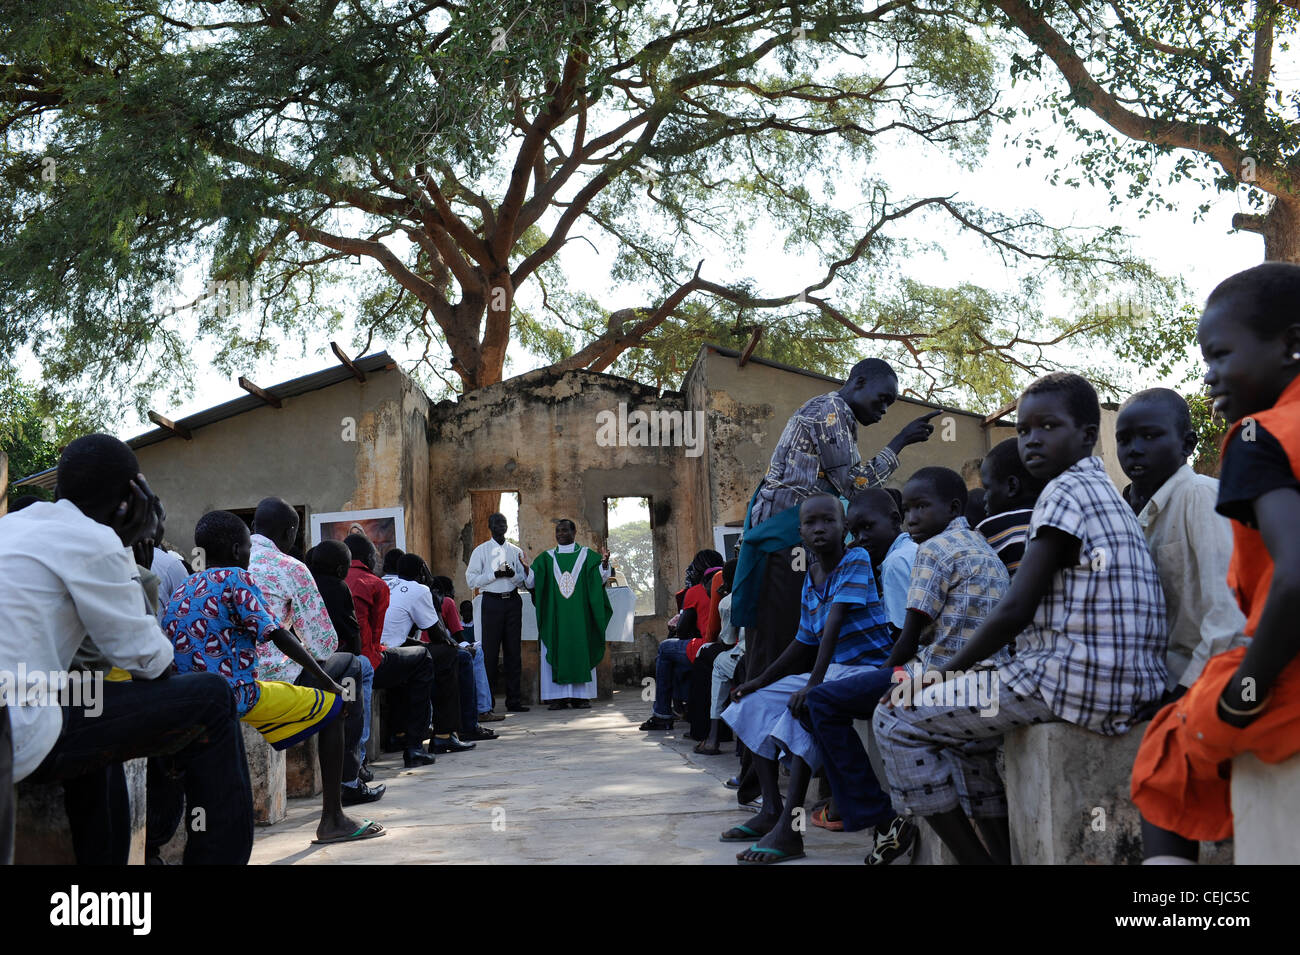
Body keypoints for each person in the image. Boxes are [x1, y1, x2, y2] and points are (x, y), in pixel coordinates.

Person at [874, 373, 1167, 865]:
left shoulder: (1063, 493)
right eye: (1024, 429)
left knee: (895, 717)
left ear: (1088, 434)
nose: (1032, 439)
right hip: (1128, 682)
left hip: (1073, 679)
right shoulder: (1101, 490)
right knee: (966, 742)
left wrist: (940, 674)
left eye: (1048, 426)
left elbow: (1015, 609)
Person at [0, 435, 254, 864]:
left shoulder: (12, 526)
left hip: (24, 702)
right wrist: (125, 547)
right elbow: (150, 663)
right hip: (20, 727)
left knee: (96, 711)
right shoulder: (95, 540)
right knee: (212, 698)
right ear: (132, 498)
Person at [1131, 264, 1300, 862]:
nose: (1209, 376)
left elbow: (1293, 577)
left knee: (1163, 763)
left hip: (1283, 680)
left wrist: (1243, 695)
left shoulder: (1259, 438)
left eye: (1221, 355)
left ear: (1291, 344)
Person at [727, 359, 937, 802]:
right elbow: (855, 483)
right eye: (882, 399)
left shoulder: (837, 418)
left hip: (787, 543)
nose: (884, 410)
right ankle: (758, 784)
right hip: (784, 541)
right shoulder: (830, 411)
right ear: (857, 382)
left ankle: (771, 781)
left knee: (780, 651)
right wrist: (900, 441)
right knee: (776, 652)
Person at [804, 468, 1009, 860]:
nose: (913, 518)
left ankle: (879, 817)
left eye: (921, 508)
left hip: (937, 674)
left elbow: (908, 637)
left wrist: (883, 674)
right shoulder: (978, 543)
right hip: (981, 675)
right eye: (908, 509)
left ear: (952, 508)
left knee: (822, 701)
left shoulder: (929, 551)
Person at [156, 510, 383, 845]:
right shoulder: (237, 578)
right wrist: (327, 680)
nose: (251, 556)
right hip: (237, 695)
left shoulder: (187, 584)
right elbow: (277, 633)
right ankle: (333, 819)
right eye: (248, 548)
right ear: (237, 550)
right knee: (335, 707)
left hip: (190, 696)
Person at [720, 494, 896, 864]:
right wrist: (759, 680)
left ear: (844, 528)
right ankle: (771, 809)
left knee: (802, 708)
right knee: (750, 703)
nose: (819, 529)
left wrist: (813, 683)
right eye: (811, 523)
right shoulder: (810, 577)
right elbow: (804, 640)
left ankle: (790, 831)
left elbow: (834, 623)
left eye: (828, 521)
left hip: (866, 668)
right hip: (832, 670)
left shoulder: (856, 560)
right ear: (800, 533)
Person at [250, 504, 387, 801]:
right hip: (277, 678)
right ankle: (349, 780)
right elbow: (323, 644)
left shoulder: (225, 563)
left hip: (227, 678)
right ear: (290, 532)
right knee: (352, 666)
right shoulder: (290, 567)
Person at [1116, 388, 1248, 695]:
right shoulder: (1127, 513)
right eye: (1124, 439)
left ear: (1187, 444)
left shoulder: (1199, 496)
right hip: (1160, 680)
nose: (1134, 449)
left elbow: (1228, 614)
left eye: (1150, 436)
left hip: (1204, 680)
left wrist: (1185, 692)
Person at [527, 519, 612, 710]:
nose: (561, 534)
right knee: (556, 647)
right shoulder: (546, 558)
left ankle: (581, 697)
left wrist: (605, 564)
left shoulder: (587, 556)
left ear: (574, 532)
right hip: (555, 617)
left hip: (581, 617)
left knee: (581, 647)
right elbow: (532, 581)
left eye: (565, 530)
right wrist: (525, 568)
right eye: (558, 531)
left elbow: (599, 578)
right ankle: (557, 697)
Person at [639, 549, 723, 730]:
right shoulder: (729, 585)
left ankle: (662, 714)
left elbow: (683, 631)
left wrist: (677, 625)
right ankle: (681, 706)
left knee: (665, 649)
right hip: (729, 645)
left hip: (706, 646)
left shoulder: (695, 591)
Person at [465, 512, 532, 712]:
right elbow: (471, 580)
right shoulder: (481, 551)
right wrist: (494, 574)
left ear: (507, 526)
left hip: (512, 602)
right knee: (490, 654)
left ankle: (514, 701)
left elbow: (524, 582)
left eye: (503, 522)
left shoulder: (516, 551)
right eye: (496, 523)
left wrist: (512, 576)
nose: (500, 525)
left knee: (513, 652)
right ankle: (488, 703)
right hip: (491, 602)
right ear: (490, 526)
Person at [846, 488, 917, 632]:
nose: (861, 538)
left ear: (895, 519)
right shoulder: (913, 549)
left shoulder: (895, 563)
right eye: (855, 533)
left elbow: (902, 633)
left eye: (867, 526)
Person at [975, 437, 1045, 576]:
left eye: (987, 488)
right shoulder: (1065, 520)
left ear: (1012, 486)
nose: (984, 498)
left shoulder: (990, 530)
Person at [696, 559, 740, 755]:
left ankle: (713, 738)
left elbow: (727, 642)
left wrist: (724, 598)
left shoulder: (728, 601)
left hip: (745, 656)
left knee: (719, 665)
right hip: (770, 656)